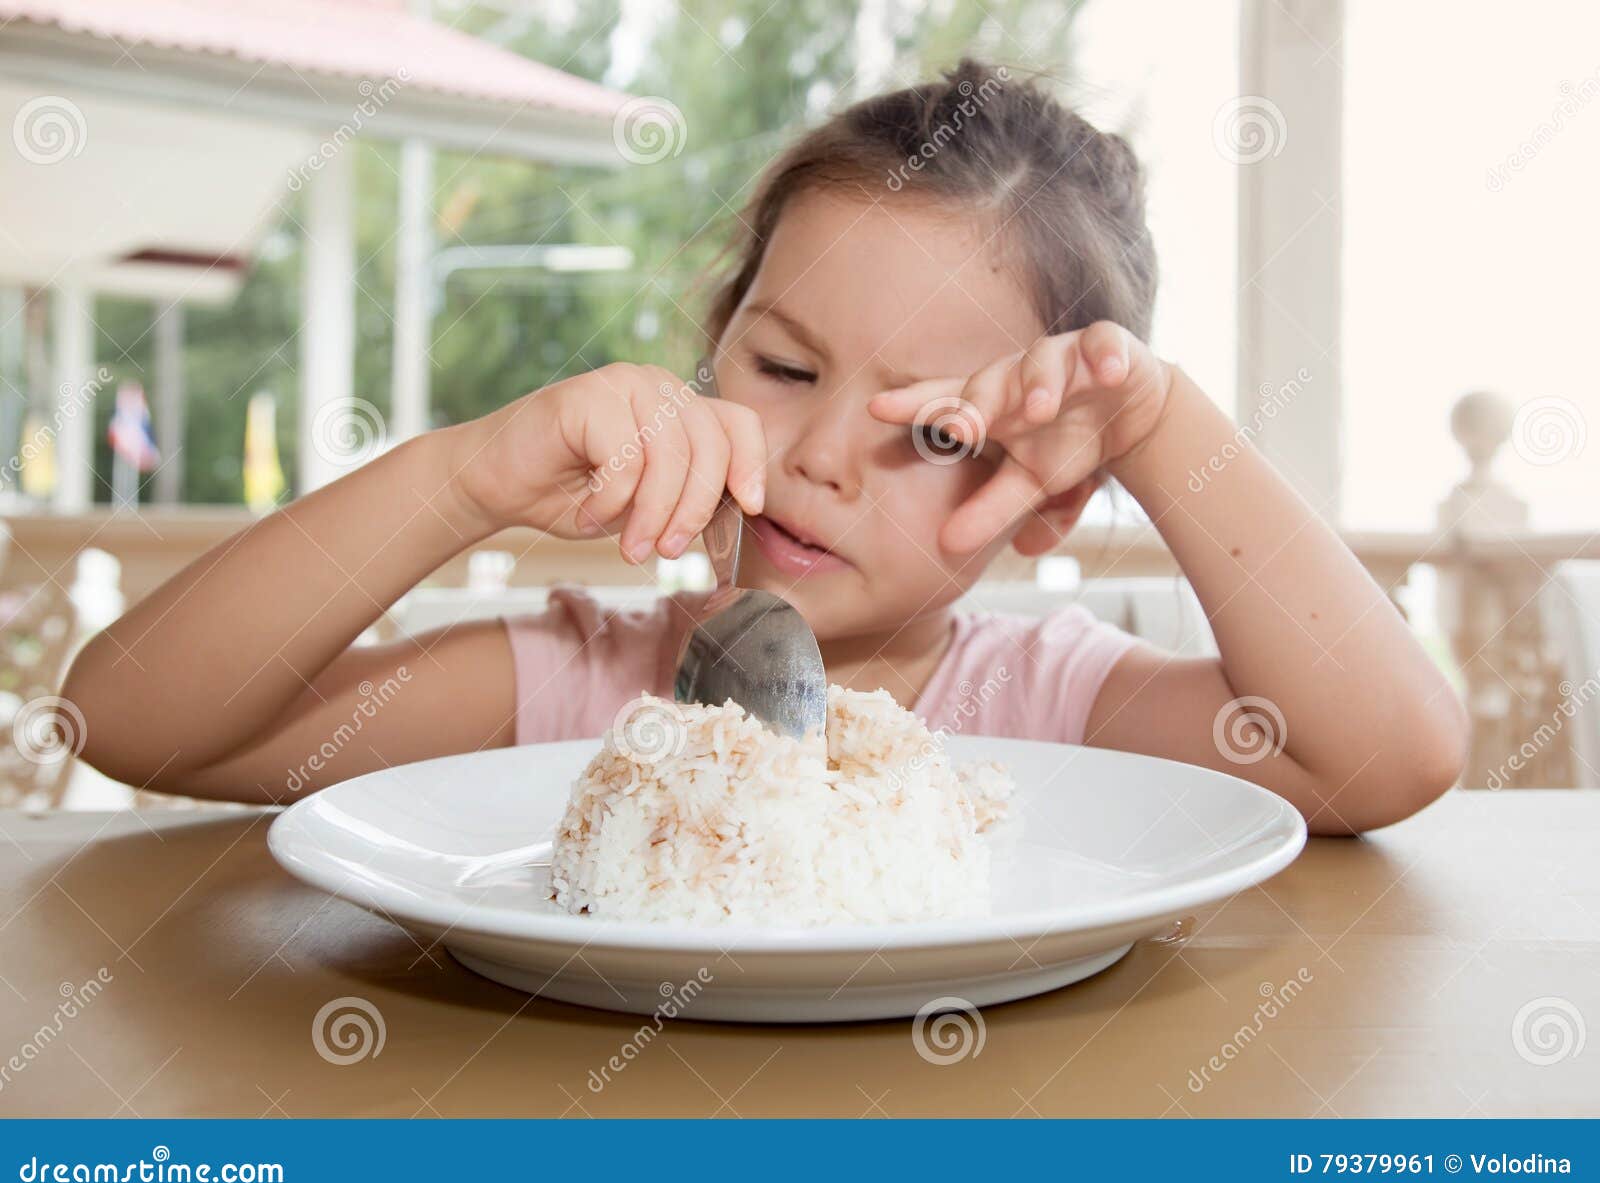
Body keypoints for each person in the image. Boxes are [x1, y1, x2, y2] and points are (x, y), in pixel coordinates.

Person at [62, 60, 1467, 834]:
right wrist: (461, 478)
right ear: (714, 346)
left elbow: (1390, 758)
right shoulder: (580, 679)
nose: (817, 461)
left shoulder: (1061, 710)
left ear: (1043, 496)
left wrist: (1164, 430)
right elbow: (125, 721)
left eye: (928, 426)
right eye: (784, 366)